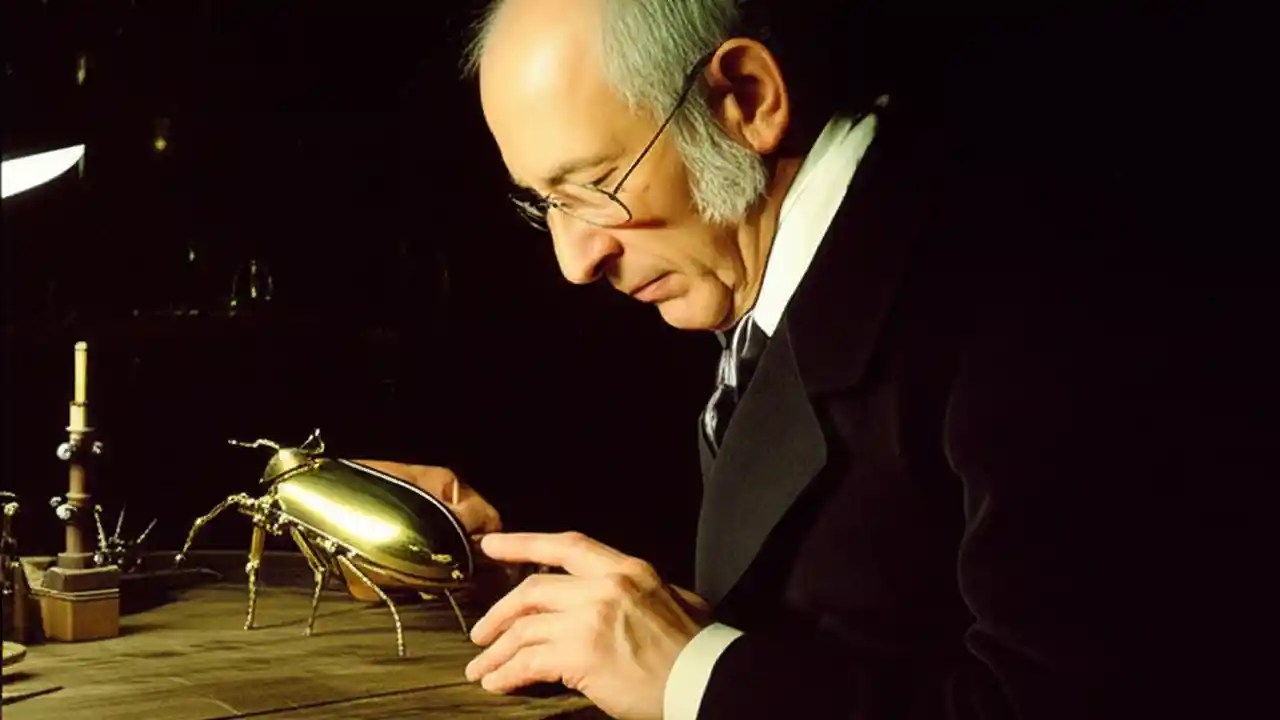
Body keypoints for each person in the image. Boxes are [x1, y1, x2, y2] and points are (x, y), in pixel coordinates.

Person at [367, 1, 1272, 718]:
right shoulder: (790, 274)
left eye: (595, 187)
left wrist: (699, 682)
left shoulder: (1033, 283)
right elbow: (835, 599)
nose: (576, 260)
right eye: (545, 204)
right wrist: (506, 572)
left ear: (746, 98)